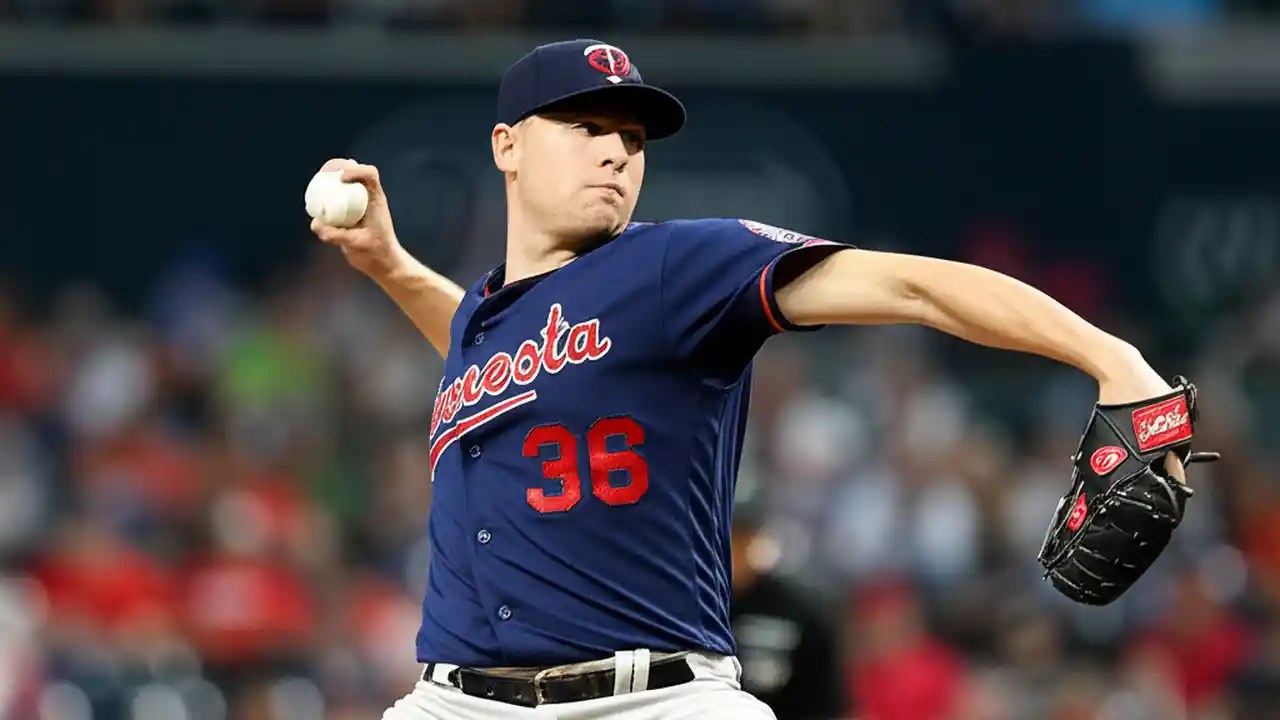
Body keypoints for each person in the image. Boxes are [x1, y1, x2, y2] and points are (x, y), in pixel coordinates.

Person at [309, 38, 1188, 720]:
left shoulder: (677, 267)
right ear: (507, 146)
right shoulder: (491, 320)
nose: (617, 153)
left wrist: (1115, 359)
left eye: (631, 137)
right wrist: (390, 266)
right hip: (456, 699)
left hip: (656, 698)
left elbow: (914, 286)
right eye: (587, 129)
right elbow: (474, 343)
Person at [730, 485, 845, 719]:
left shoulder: (797, 613)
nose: (733, 549)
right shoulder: (682, 606)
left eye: (742, 536)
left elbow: (825, 703)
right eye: (726, 536)